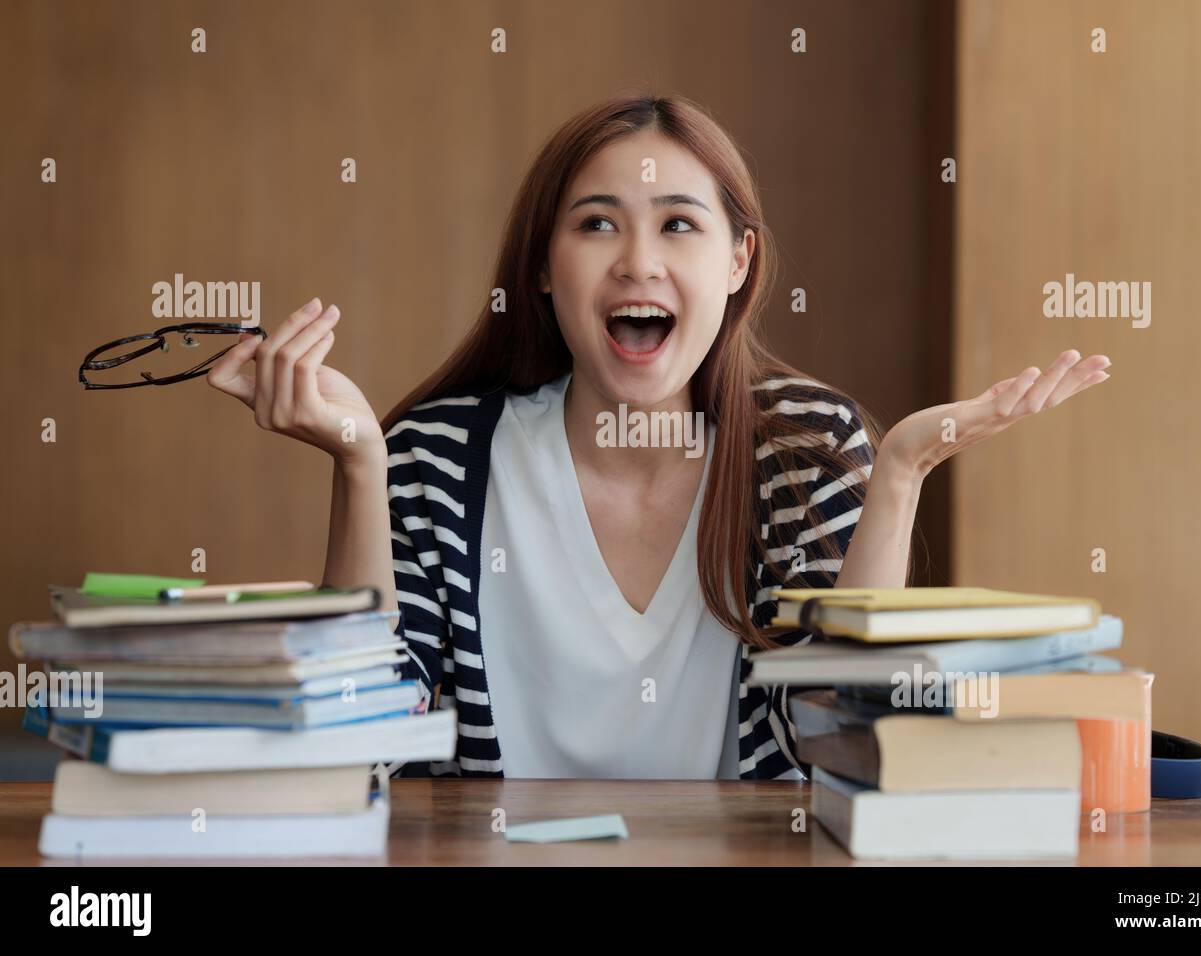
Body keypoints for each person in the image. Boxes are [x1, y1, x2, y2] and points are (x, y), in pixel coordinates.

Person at [207, 91, 1110, 780]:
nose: (638, 260)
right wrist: (361, 462)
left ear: (736, 263)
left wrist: (901, 473)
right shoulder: (438, 457)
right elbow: (365, 757)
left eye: (679, 223)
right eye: (597, 224)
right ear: (543, 271)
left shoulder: (805, 449)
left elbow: (842, 751)